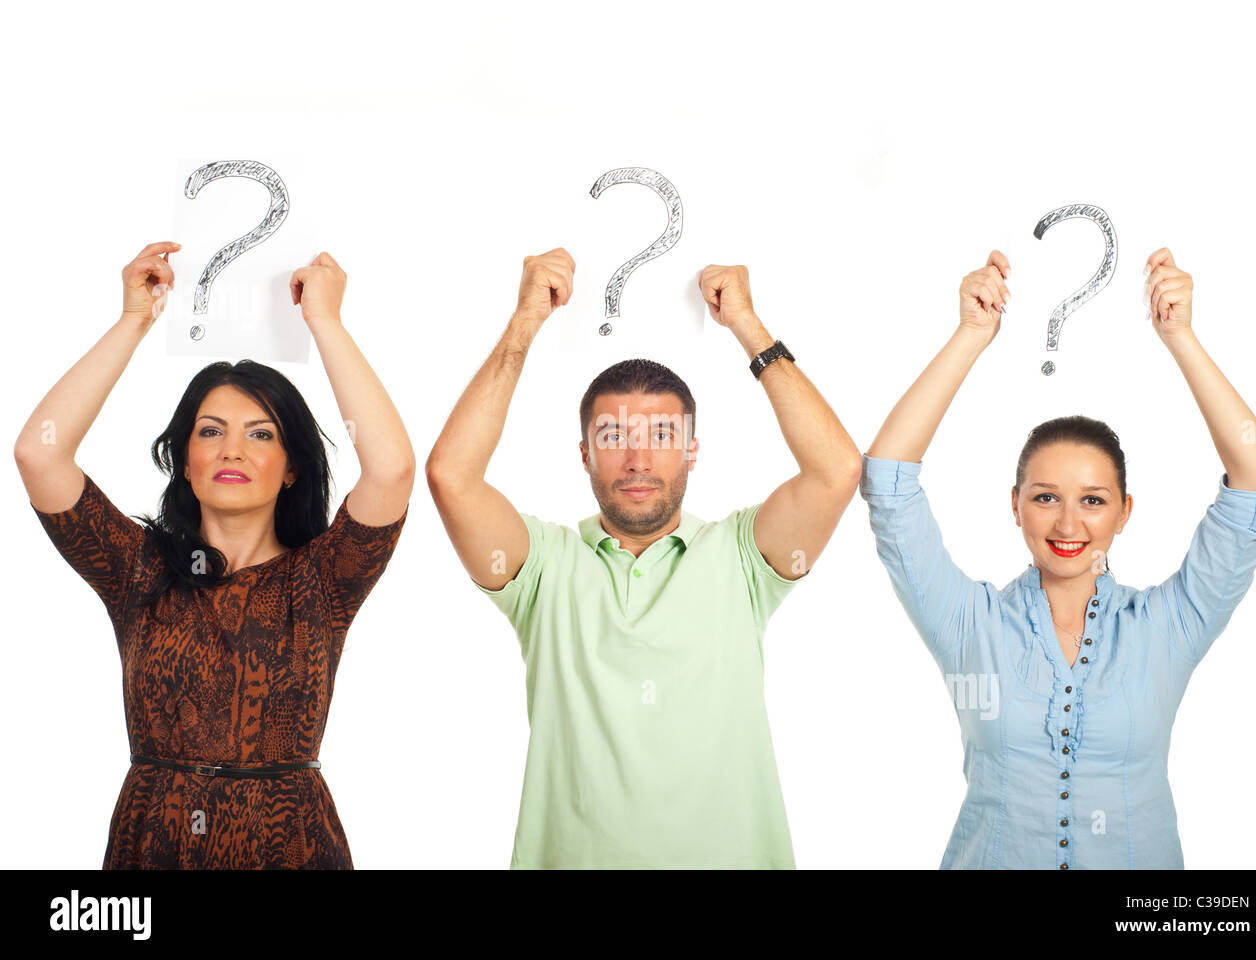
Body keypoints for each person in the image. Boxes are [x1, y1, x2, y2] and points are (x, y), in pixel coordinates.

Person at [427, 248, 861, 868]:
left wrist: (749, 328)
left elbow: (837, 470)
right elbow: (452, 475)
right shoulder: (544, 567)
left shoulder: (742, 556)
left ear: (692, 451)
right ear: (584, 454)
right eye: (614, 437)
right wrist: (525, 321)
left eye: (661, 436)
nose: (637, 459)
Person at [861, 247, 1256, 869]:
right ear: (1015, 505)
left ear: (1124, 511)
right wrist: (972, 334)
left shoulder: (1168, 627)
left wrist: (1182, 338)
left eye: (1092, 500)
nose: (1067, 523)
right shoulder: (969, 624)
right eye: (1045, 497)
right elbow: (889, 483)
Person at [15, 241, 415, 868]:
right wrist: (134, 320)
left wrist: (327, 324)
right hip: (155, 846)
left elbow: (391, 469)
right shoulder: (137, 569)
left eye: (261, 434)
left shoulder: (321, 580)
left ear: (290, 470)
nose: (233, 450)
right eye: (211, 431)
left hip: (290, 845)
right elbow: (40, 452)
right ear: (186, 462)